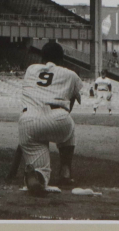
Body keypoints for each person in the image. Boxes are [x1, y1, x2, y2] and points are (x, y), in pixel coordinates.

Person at [18, 40, 81, 196]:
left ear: (41, 58)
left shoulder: (31, 69)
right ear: (61, 59)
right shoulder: (70, 74)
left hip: (28, 119)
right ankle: (65, 171)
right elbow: (72, 101)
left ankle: (36, 176)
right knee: (69, 127)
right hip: (58, 117)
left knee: (41, 170)